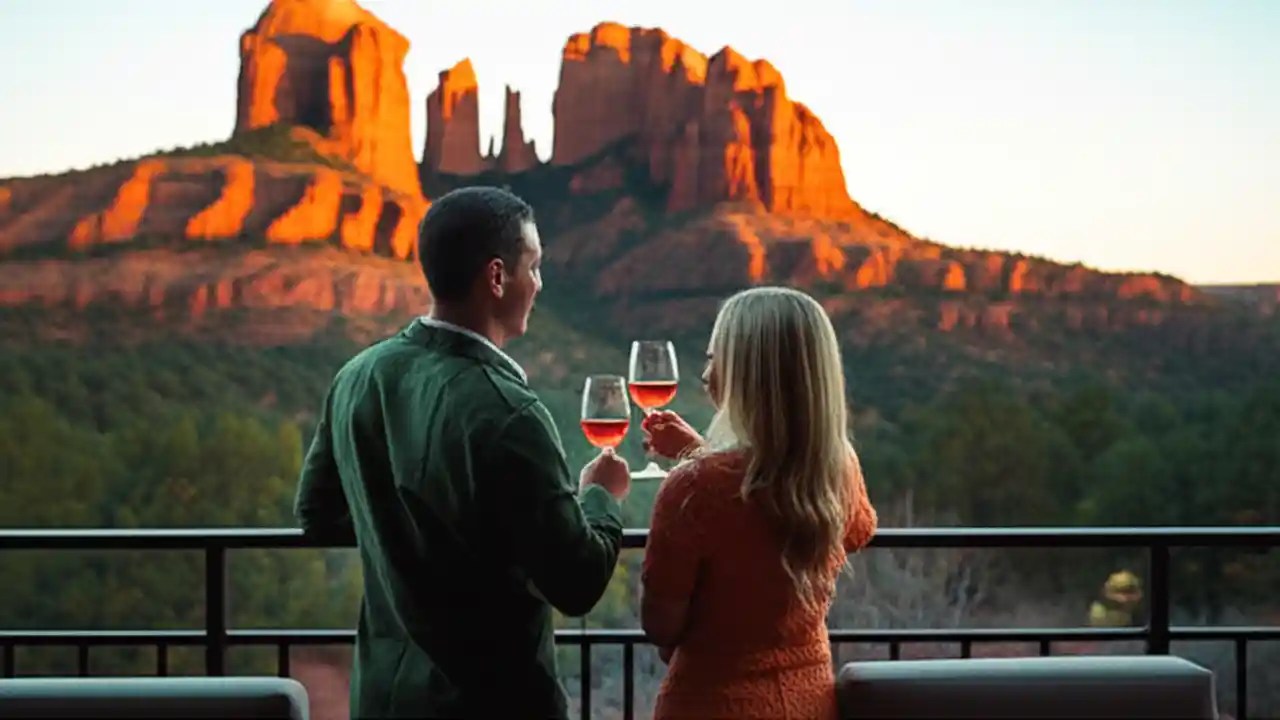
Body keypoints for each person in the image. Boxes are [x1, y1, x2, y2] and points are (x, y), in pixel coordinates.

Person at [294, 186, 631, 719]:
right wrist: (601, 497)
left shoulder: (358, 376)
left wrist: (404, 527)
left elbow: (317, 514)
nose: (540, 285)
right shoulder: (509, 413)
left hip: (382, 700)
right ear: (497, 277)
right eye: (535, 267)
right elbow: (576, 581)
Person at [639, 286, 878, 719]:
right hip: (810, 701)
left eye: (714, 359)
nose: (706, 374)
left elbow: (661, 624)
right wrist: (701, 452)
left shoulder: (693, 488)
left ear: (743, 373)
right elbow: (856, 531)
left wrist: (700, 465)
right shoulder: (839, 468)